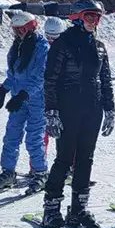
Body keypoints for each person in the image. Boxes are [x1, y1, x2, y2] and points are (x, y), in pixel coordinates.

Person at [41, 0, 115, 228]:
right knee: (64, 159)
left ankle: (78, 211)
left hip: (92, 109)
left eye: (97, 17)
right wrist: (51, 112)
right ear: (77, 18)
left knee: (86, 159)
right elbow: (50, 81)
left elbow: (105, 80)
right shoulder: (63, 44)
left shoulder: (100, 46)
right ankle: (51, 211)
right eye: (89, 16)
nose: (94, 21)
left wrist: (109, 109)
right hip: (68, 108)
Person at [0, 12, 49, 192]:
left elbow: (40, 77)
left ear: (31, 27)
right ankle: (8, 172)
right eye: (16, 30)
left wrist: (23, 94)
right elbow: (13, 75)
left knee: (33, 138)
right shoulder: (17, 47)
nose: (19, 33)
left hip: (37, 100)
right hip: (18, 98)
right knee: (11, 136)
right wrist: (3, 89)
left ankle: (40, 172)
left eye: (22, 29)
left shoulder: (42, 47)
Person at [42, 16, 67, 159]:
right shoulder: (42, 49)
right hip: (45, 97)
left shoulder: (67, 49)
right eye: (48, 37)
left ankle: (67, 166)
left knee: (65, 134)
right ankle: (38, 168)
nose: (51, 41)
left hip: (63, 96)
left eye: (54, 38)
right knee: (42, 133)